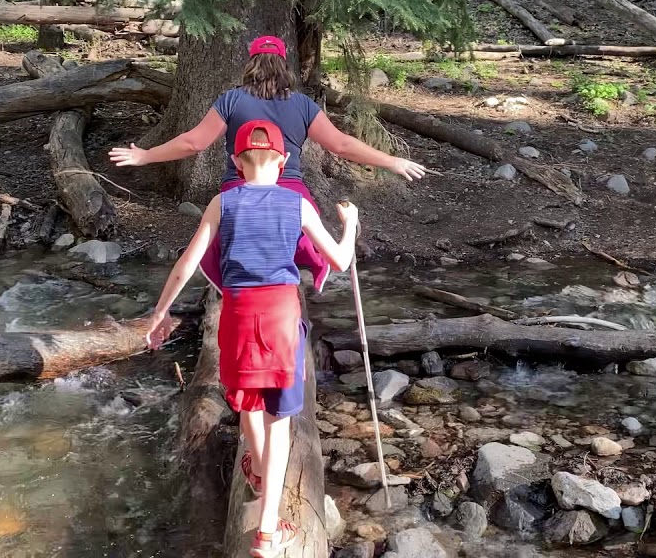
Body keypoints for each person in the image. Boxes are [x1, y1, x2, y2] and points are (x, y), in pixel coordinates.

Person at [144, 119, 359, 557]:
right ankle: (266, 531)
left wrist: (160, 313)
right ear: (282, 162)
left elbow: (188, 262)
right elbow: (337, 260)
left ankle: (258, 474)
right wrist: (351, 224)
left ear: (236, 163)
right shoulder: (297, 205)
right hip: (281, 315)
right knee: (281, 422)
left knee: (246, 404)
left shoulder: (222, 203)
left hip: (237, 313)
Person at [109, 35, 422, 292]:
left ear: (251, 63)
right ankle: (303, 274)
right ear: (284, 66)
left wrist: (145, 155)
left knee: (222, 233)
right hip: (291, 193)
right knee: (305, 231)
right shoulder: (301, 104)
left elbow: (194, 143)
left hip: (239, 189)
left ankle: (233, 285)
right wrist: (391, 161)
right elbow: (341, 145)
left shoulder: (232, 100)